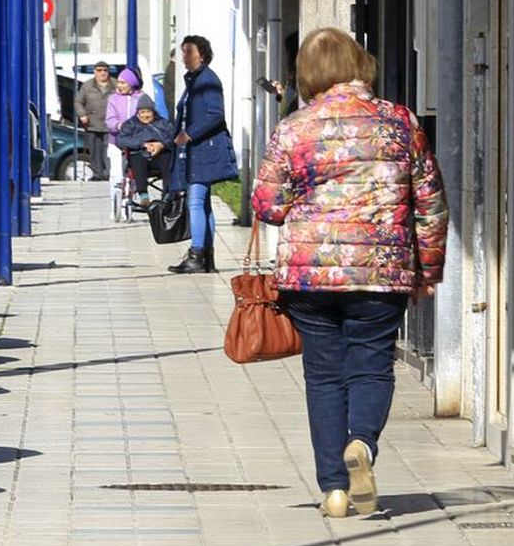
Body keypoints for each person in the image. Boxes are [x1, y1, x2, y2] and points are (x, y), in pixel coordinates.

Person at [251, 27, 447, 520]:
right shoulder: (399, 122)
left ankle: (335, 490)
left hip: (310, 276)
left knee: (322, 376)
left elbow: (267, 205)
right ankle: (362, 442)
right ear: (360, 63)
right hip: (381, 271)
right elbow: (430, 201)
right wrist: (429, 269)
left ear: (307, 75)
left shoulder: (294, 129)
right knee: (372, 365)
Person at [168, 35, 236, 274]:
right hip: (196, 152)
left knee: (195, 202)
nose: (184, 56)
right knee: (203, 203)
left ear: (202, 55)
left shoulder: (207, 80)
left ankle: (197, 254)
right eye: (183, 51)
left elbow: (215, 114)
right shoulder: (194, 80)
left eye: (189, 52)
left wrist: (189, 134)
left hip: (204, 152)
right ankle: (206, 257)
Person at [116, 95, 174, 204]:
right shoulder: (130, 124)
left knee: (167, 158)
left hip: (160, 154)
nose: (145, 115)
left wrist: (161, 145)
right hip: (140, 153)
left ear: (153, 112)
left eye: (148, 112)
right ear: (138, 113)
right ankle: (143, 194)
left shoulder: (163, 123)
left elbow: (173, 137)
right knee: (137, 159)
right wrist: (142, 144)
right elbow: (121, 140)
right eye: (142, 112)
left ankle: (167, 193)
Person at [104, 68, 143, 200]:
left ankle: (134, 194)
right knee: (116, 172)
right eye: (118, 82)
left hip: (136, 141)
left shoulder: (141, 98)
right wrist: (118, 125)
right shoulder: (113, 99)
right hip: (116, 140)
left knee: (135, 170)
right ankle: (115, 201)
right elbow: (109, 120)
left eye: (123, 83)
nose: (119, 86)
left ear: (131, 84)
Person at [73, 60, 113, 181]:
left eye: (105, 70)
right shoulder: (87, 86)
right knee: (95, 150)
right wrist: (82, 115)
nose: (102, 73)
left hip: (109, 124)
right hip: (92, 123)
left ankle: (108, 173)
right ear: (95, 72)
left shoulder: (115, 85)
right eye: (99, 70)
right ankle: (97, 173)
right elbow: (78, 102)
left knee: (109, 150)